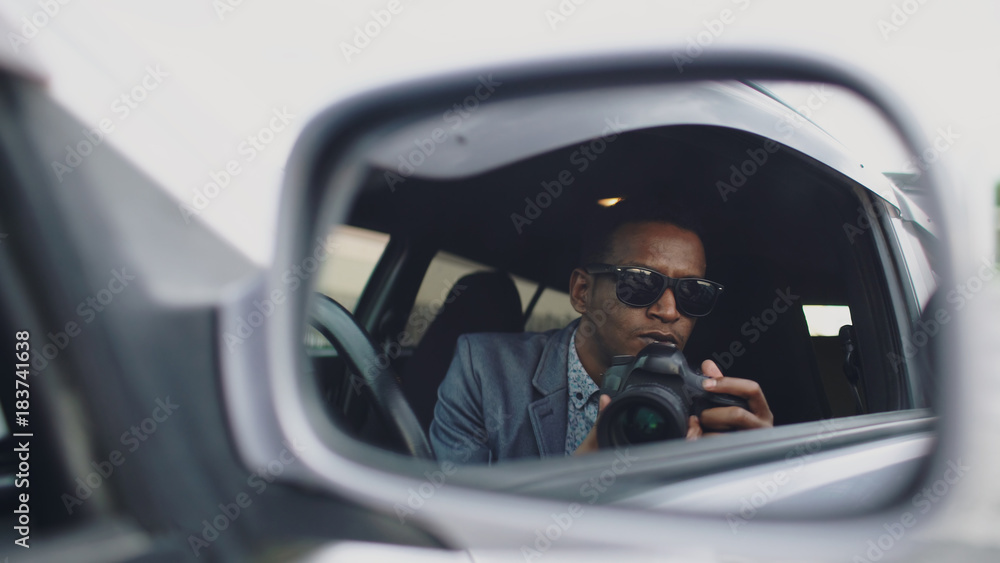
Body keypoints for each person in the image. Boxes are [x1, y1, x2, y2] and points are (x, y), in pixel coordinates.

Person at [429, 205, 774, 464]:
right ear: (582, 292)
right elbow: (451, 523)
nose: (669, 311)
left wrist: (753, 466)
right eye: (640, 282)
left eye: (693, 293)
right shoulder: (486, 371)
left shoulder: (704, 405)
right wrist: (580, 479)